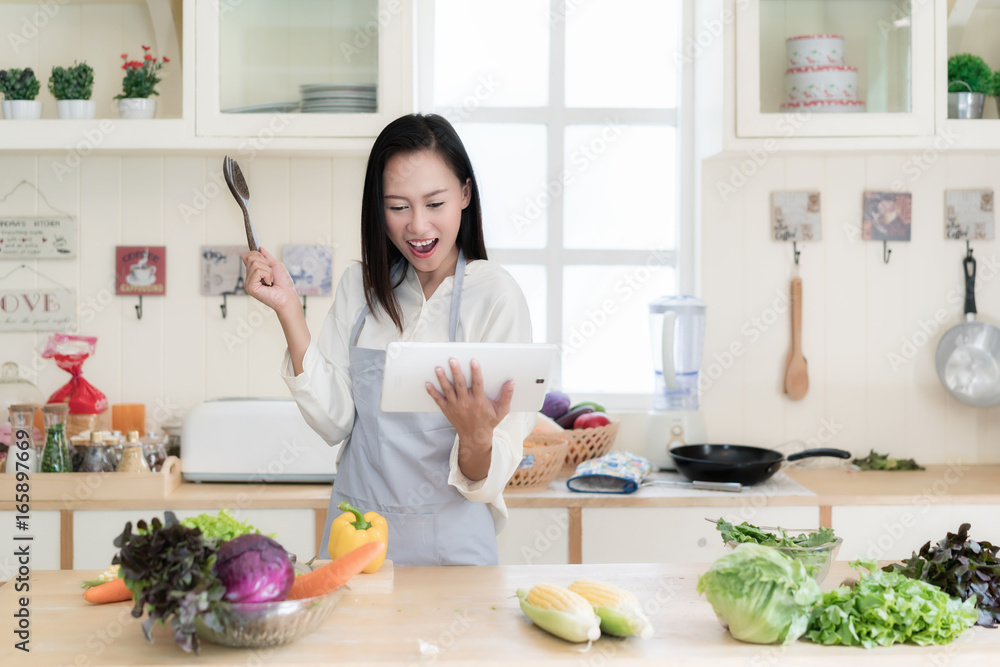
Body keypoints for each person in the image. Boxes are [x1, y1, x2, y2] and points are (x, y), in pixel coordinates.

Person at [242, 114, 535, 566]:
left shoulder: (494, 296)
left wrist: (478, 438)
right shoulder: (360, 288)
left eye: (434, 203)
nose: (417, 227)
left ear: (465, 194)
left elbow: (489, 475)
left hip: (455, 552)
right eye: (398, 207)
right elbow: (334, 421)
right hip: (355, 541)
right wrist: (288, 310)